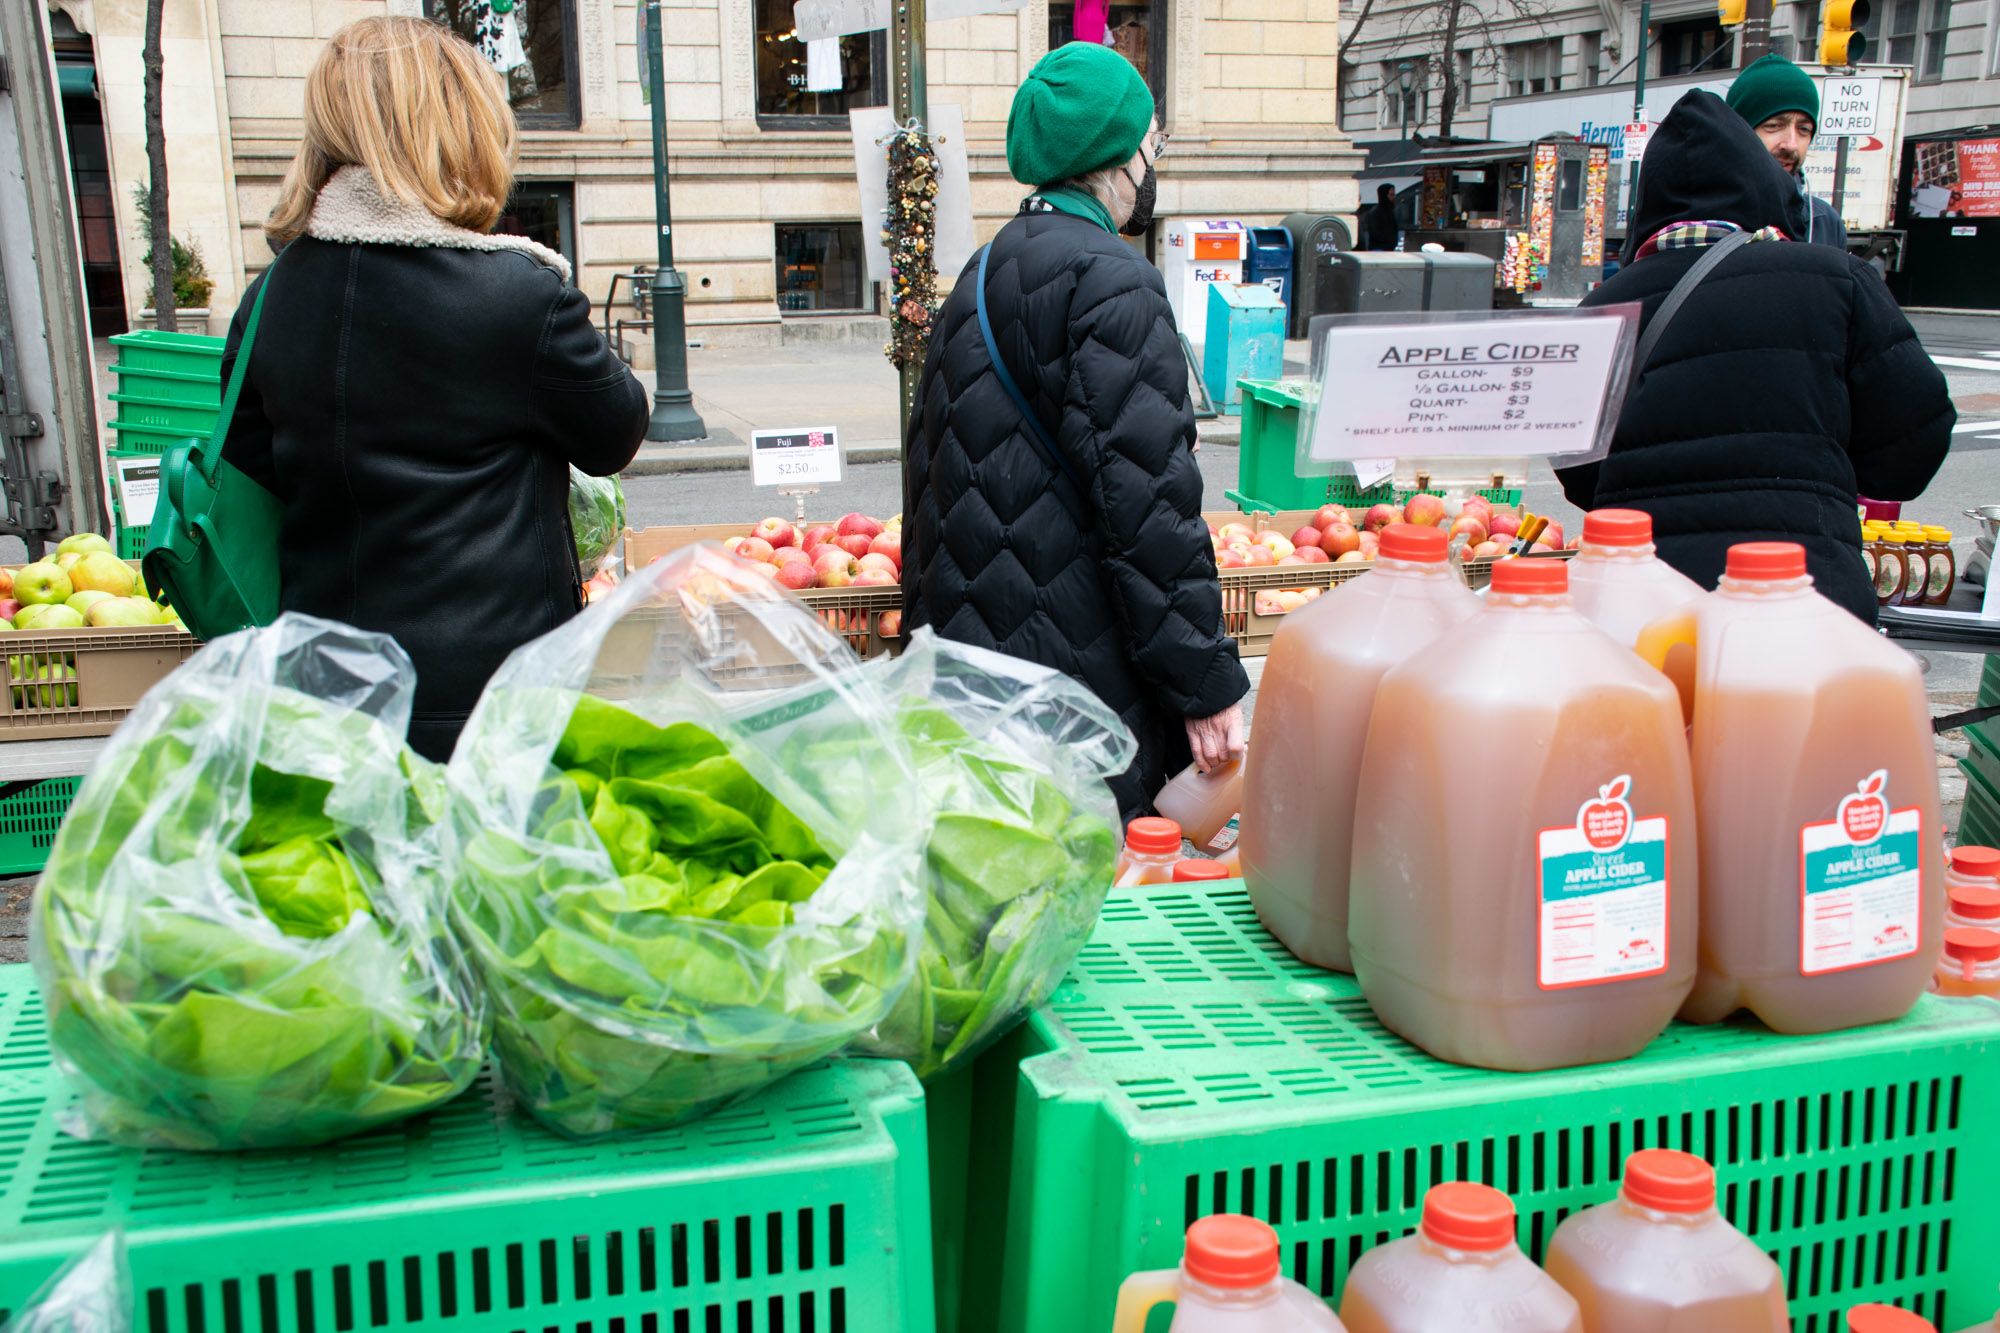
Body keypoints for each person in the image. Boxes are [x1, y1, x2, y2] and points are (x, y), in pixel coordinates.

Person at [223, 17, 647, 761]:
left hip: (326, 698)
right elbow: (615, 432)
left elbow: (254, 474)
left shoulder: (268, 301)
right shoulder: (517, 294)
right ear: (461, 128)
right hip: (492, 706)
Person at [903, 41, 1249, 821]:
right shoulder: (1114, 281)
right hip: (1075, 693)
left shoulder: (982, 271)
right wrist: (1207, 686)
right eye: (1152, 145)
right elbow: (1151, 512)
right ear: (1116, 158)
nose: (1152, 166)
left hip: (971, 683)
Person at [1558, 91, 1952, 626]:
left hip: (1636, 605)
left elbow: (1583, 477)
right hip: (1807, 596)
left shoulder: (1598, 311)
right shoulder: (1836, 279)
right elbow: (1910, 450)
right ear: (1765, 185)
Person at [1726, 53, 1848, 250]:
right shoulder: (1699, 212)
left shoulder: (1824, 222)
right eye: (1774, 126)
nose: (1791, 144)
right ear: (1739, 131)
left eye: (1804, 129)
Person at [1360, 183, 1400, 251]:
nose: (1393, 198)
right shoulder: (1375, 213)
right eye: (1391, 195)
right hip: (1378, 250)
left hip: (1389, 250)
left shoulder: (1391, 212)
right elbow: (1376, 233)